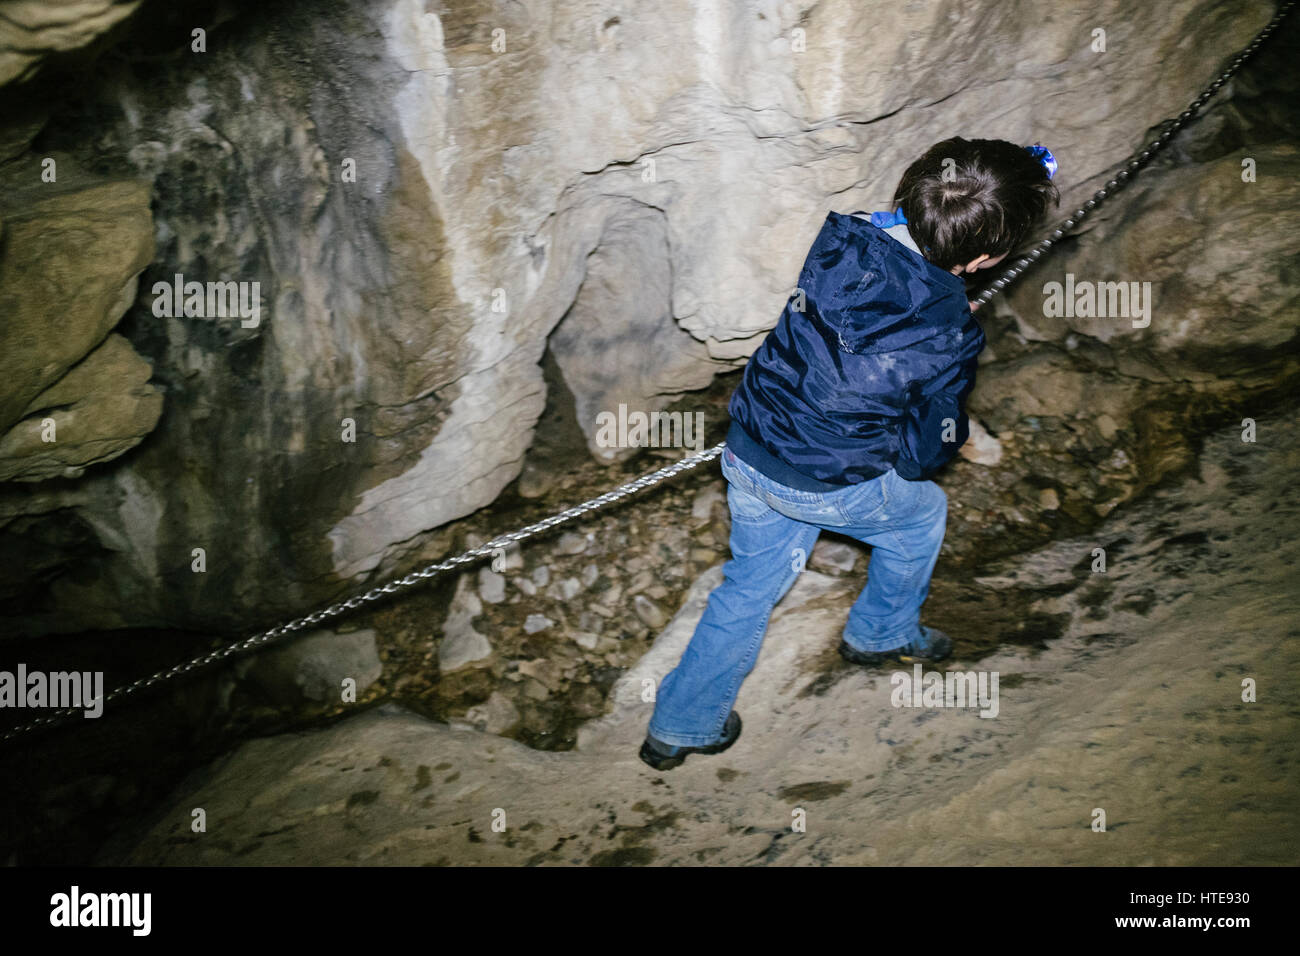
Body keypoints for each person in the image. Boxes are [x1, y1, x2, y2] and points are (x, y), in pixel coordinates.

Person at [639, 137, 1060, 770]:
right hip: (826, 476)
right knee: (920, 516)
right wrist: (947, 321)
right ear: (985, 259)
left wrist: (939, 289)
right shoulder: (948, 334)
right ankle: (880, 635)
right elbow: (927, 442)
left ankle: (680, 725)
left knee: (748, 588)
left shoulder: (844, 241)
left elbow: (895, 265)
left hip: (751, 446)